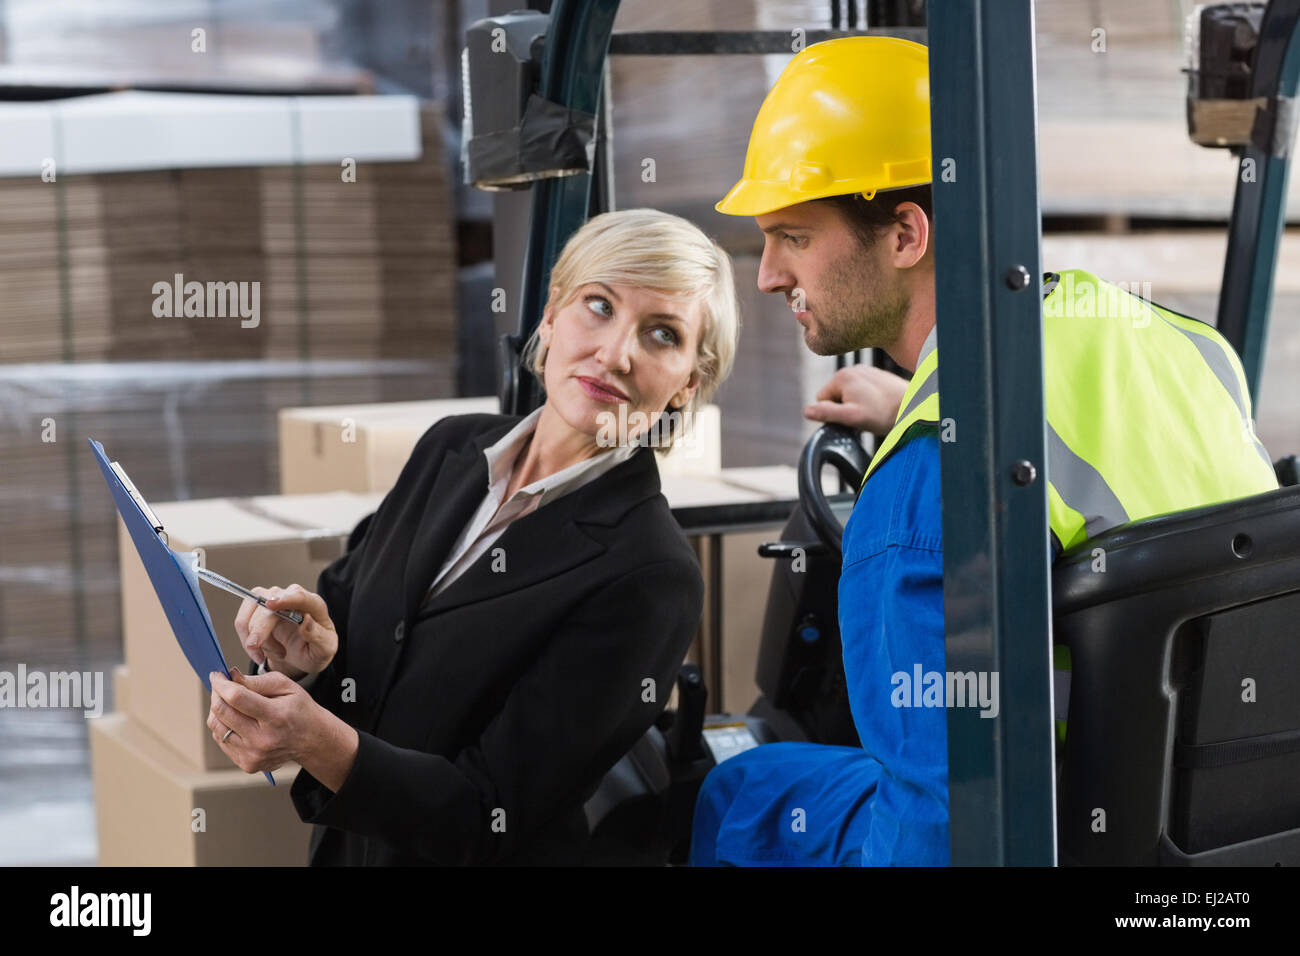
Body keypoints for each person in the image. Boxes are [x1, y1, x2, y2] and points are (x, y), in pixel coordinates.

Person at [690, 35, 1279, 866]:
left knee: (745, 788)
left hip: (1051, 826)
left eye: (792, 237)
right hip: (1213, 829)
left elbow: (939, 839)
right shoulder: (1184, 346)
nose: (767, 276)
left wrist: (928, 438)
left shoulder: (921, 497)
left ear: (905, 232)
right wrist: (922, 407)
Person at [204, 207, 741, 865]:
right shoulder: (451, 447)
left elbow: (491, 811)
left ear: (687, 384)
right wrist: (308, 653)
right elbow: (351, 618)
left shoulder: (651, 575)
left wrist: (317, 742)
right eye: (597, 305)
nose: (615, 352)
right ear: (550, 315)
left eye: (661, 334)